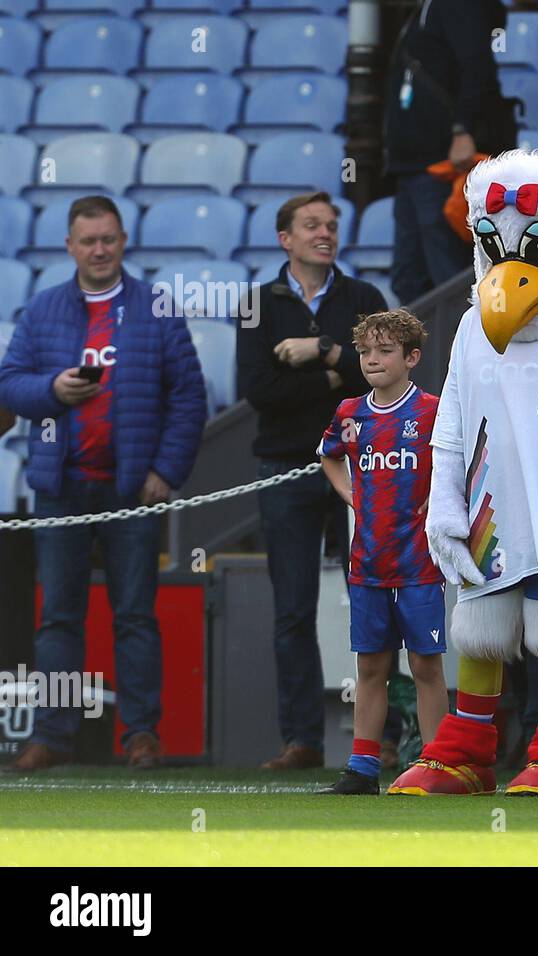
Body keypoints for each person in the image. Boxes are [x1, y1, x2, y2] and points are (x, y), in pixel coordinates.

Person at [0, 195, 207, 772]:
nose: (98, 249)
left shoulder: (158, 308)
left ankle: (141, 735)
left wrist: (165, 471)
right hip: (59, 485)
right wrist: (53, 391)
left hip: (132, 490)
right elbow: (9, 384)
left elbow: (189, 396)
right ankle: (51, 735)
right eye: (88, 241)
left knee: (135, 614)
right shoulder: (42, 310)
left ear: (123, 241)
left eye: (108, 239)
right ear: (70, 246)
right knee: (57, 617)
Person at [236, 191, 389, 770]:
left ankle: (384, 736)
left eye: (331, 224)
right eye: (310, 225)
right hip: (283, 467)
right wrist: (337, 374)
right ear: (285, 238)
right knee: (292, 610)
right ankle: (302, 741)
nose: (324, 233)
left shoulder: (364, 299)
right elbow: (261, 392)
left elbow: (383, 372)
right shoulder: (256, 304)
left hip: (360, 466)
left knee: (373, 600)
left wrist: (320, 351)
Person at [314, 309, 448, 795]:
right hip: (367, 561)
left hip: (418, 562)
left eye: (385, 351)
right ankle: (363, 768)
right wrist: (350, 493)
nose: (372, 360)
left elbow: (469, 456)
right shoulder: (351, 412)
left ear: (411, 357)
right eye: (365, 351)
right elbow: (327, 455)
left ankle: (436, 765)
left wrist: (445, 495)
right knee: (370, 666)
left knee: (426, 665)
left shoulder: (432, 410)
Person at [385, 0, 506, 303]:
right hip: (412, 168)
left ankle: (461, 347)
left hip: (443, 165)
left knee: (448, 277)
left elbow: (478, 67)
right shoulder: (421, 9)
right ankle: (419, 350)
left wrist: (462, 129)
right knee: (408, 278)